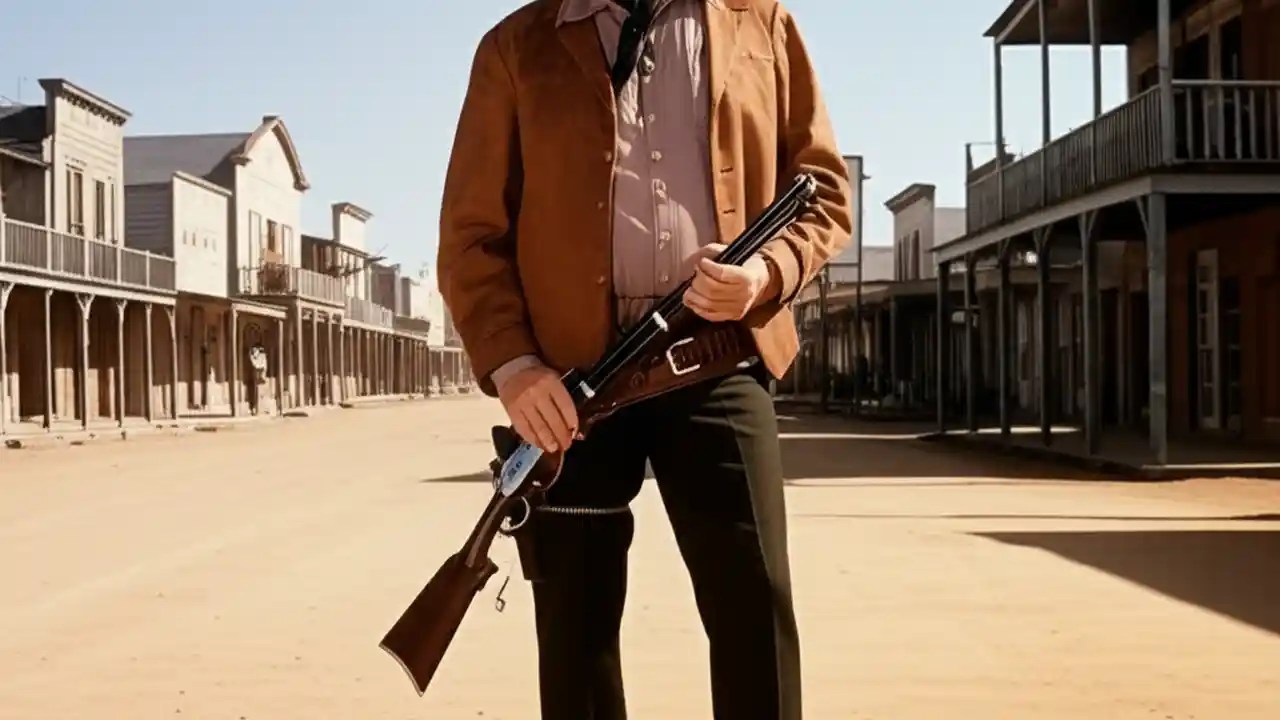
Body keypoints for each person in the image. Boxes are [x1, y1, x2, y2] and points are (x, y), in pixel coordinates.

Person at [436, 1, 852, 717]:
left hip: (717, 360)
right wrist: (515, 368)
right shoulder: (514, 47)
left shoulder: (763, 21)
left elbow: (824, 193)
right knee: (575, 633)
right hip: (573, 387)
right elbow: (472, 236)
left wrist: (764, 277)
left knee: (756, 607)